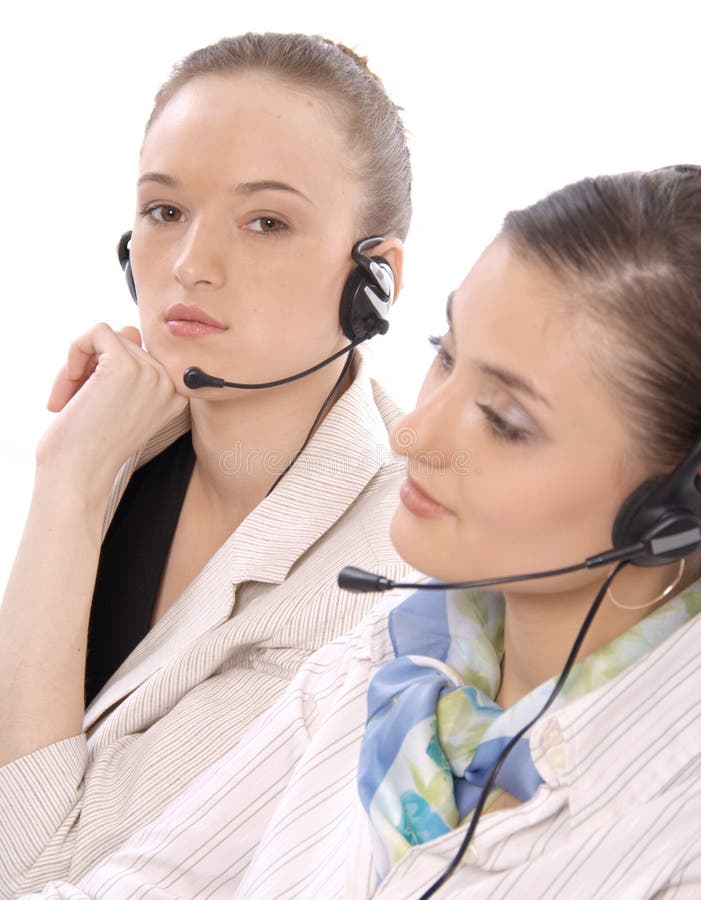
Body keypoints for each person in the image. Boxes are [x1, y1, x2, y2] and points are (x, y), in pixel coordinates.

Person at [11, 164, 701, 899]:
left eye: (504, 422)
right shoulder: (388, 657)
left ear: (678, 506)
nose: (411, 432)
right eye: (444, 354)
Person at [0, 32, 418, 897]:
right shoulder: (125, 437)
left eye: (266, 221)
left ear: (371, 279)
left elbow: (39, 872)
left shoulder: (381, 578)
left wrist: (66, 489)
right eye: (163, 211)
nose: (190, 264)